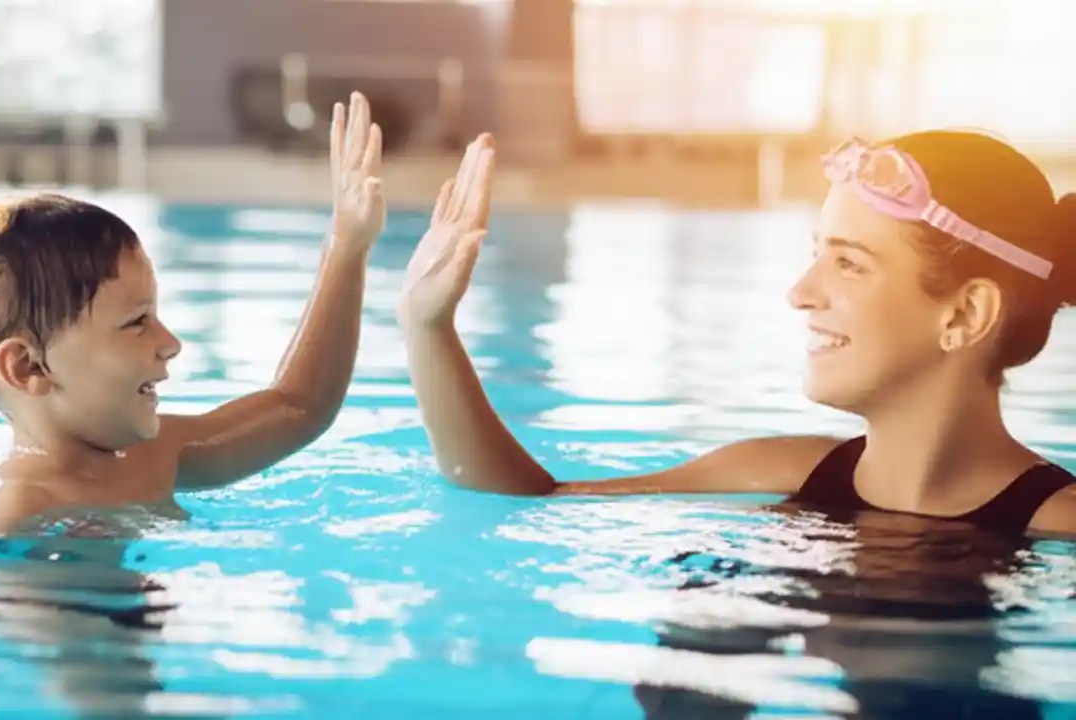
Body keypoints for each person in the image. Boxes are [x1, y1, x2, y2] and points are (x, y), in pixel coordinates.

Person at [400, 131, 1076, 535]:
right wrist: (427, 326)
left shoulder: (1060, 526)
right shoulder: (769, 472)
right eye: (817, 254)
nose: (800, 293)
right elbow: (533, 506)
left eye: (848, 262)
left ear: (964, 316)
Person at [0, 92, 386, 536]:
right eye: (137, 322)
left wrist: (346, 246)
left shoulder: (153, 455)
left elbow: (299, 407)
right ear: (29, 366)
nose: (171, 343)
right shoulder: (10, 512)